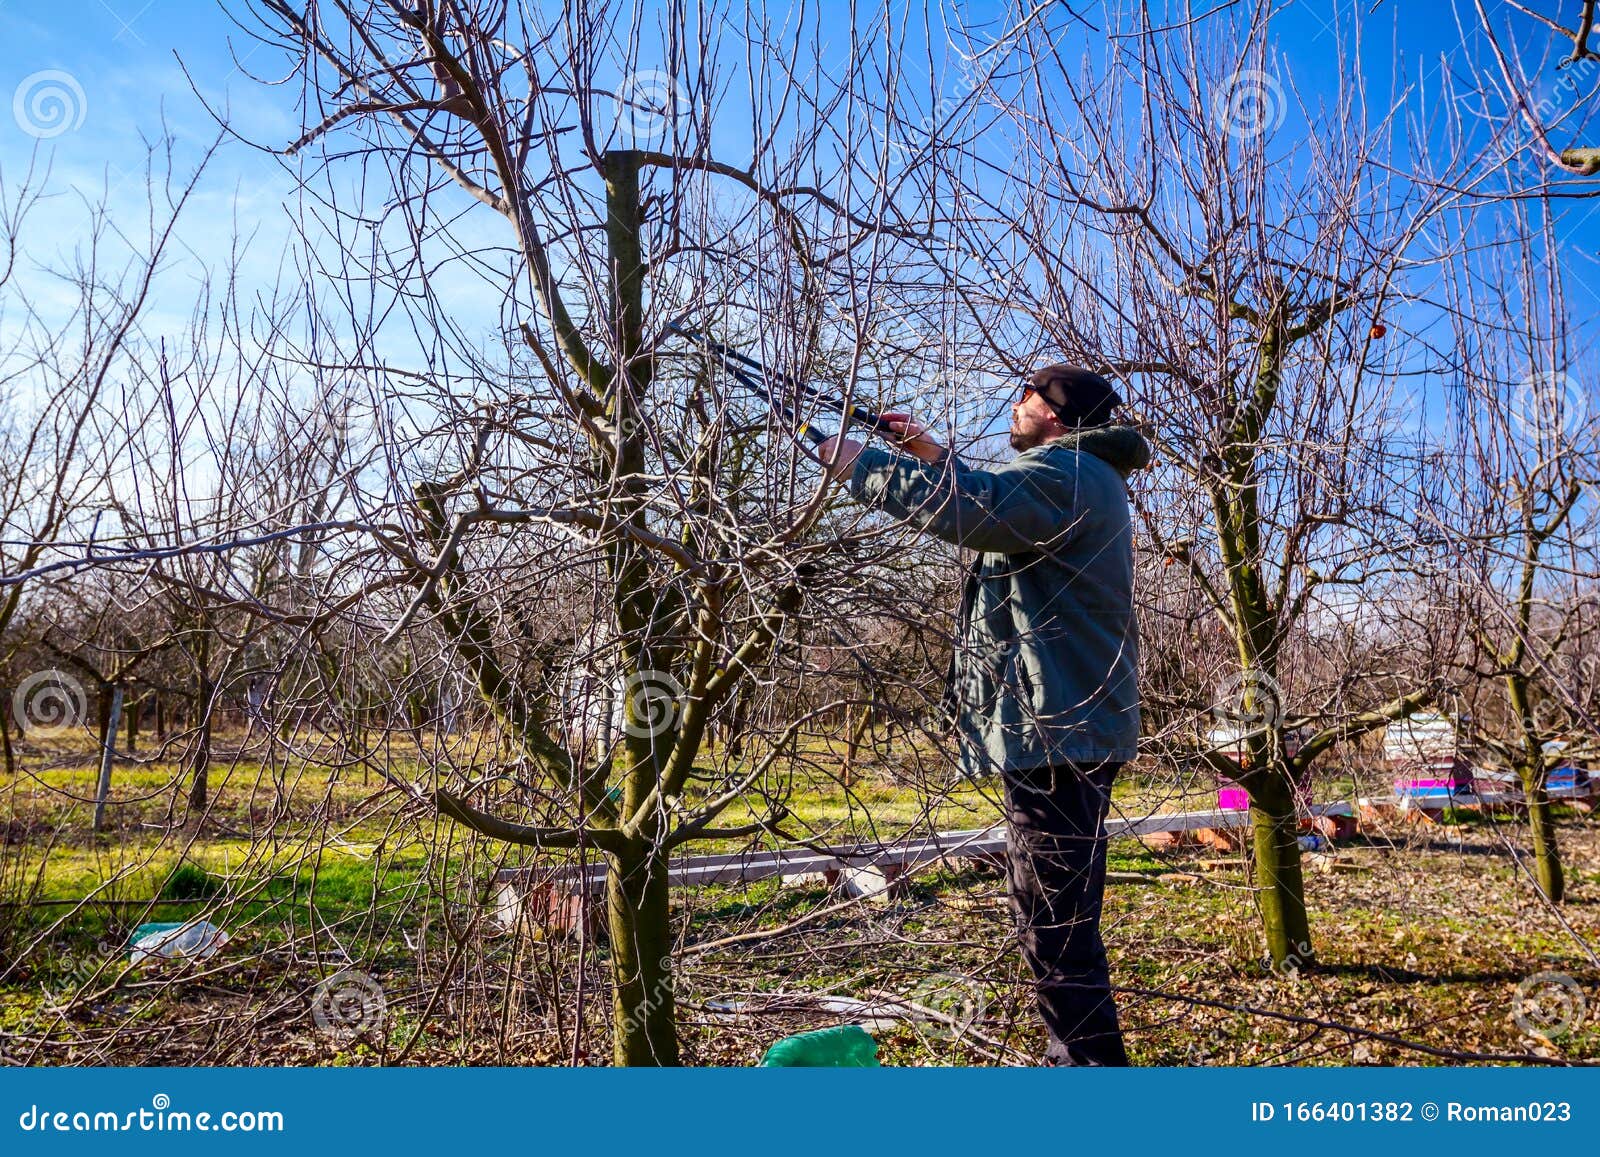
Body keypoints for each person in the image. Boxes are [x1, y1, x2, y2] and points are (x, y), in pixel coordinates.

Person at [817, 364, 1150, 1066]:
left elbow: (979, 509)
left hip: (1058, 739)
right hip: (1070, 734)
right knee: (1061, 927)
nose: (1015, 404)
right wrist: (933, 455)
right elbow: (995, 501)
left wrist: (859, 465)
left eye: (1026, 396)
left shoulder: (1068, 476)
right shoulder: (1083, 477)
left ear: (1055, 415)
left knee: (1054, 933)